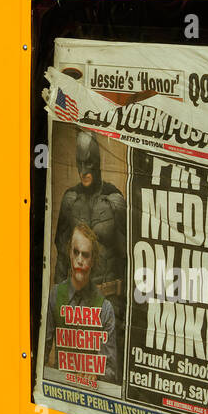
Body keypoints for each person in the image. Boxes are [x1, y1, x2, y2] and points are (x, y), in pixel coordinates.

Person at [54, 131, 127, 331]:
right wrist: (58, 306)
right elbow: (61, 257)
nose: (84, 170)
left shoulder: (114, 201)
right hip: (77, 304)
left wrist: (125, 312)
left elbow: (128, 259)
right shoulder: (70, 201)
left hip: (109, 302)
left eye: (89, 163)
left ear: (97, 162)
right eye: (80, 163)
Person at [44, 223, 117, 383]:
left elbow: (111, 370)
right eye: (76, 252)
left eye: (85, 255)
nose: (79, 260)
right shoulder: (55, 295)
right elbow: (42, 354)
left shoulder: (105, 308)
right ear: (69, 253)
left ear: (93, 260)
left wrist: (97, 373)